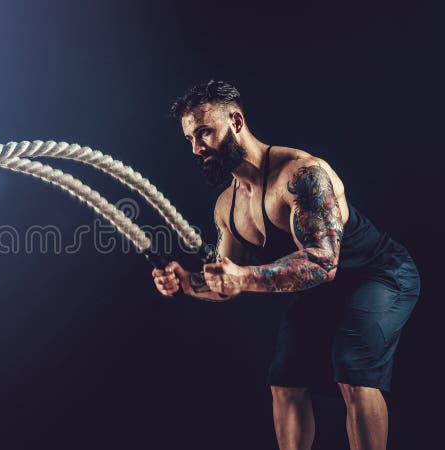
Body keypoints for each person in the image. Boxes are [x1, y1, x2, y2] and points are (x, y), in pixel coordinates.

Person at [152, 80, 420, 450]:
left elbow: (323, 262)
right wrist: (187, 282)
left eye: (204, 133)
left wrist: (243, 277)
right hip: (321, 290)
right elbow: (226, 280)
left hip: (379, 274)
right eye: (190, 139)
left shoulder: (301, 174)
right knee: (285, 380)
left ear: (236, 121)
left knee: (353, 370)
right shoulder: (227, 207)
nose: (197, 148)